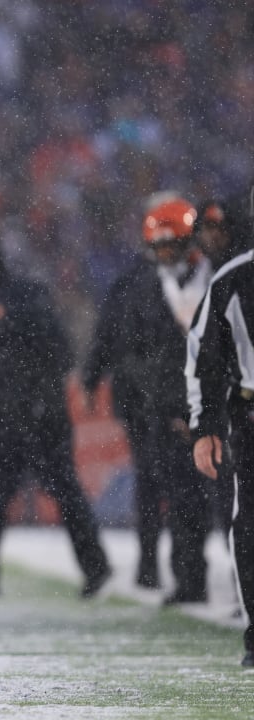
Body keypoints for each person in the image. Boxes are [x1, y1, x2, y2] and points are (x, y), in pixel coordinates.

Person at [0, 229, 110, 598]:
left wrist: (39, 397)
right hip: (3, 421)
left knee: (64, 494)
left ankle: (96, 568)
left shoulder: (23, 296)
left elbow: (59, 351)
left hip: (41, 419)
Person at [122, 196, 213, 604]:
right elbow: (137, 353)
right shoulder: (145, 288)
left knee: (228, 503)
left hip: (221, 403)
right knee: (180, 500)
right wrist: (168, 405)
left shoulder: (218, 277)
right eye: (160, 247)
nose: (166, 255)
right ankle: (190, 579)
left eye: (172, 245)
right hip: (172, 409)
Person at [187, 190, 254, 668]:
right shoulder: (233, 280)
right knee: (249, 525)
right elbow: (203, 360)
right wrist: (206, 426)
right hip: (251, 415)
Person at [82, 241, 161, 588]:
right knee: (177, 482)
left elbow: (105, 334)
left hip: (144, 394)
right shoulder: (179, 278)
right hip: (161, 396)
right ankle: (186, 568)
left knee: (152, 480)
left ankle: (153, 565)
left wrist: (91, 377)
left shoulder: (128, 283)